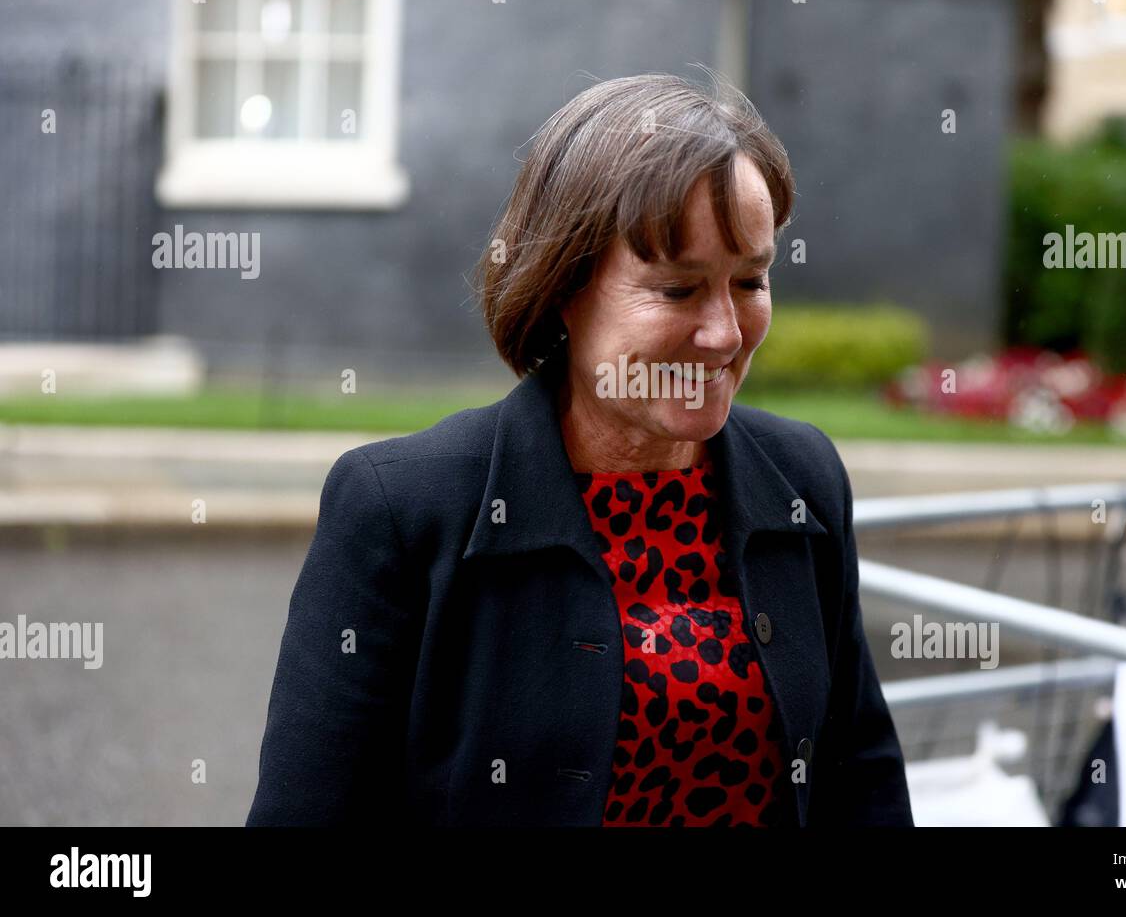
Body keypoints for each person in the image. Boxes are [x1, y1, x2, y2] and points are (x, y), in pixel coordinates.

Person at [246, 69, 912, 826]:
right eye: (678, 289)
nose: (725, 332)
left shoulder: (801, 476)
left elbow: (859, 777)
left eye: (751, 280)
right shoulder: (404, 506)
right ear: (563, 284)